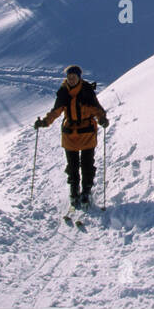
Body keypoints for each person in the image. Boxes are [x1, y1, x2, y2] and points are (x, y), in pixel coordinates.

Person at [34, 64, 108, 208]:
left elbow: (97, 109)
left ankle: (86, 190)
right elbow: (56, 111)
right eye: (69, 77)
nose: (71, 80)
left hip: (86, 133)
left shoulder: (87, 91)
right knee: (72, 165)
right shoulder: (63, 92)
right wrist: (44, 122)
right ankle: (74, 190)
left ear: (79, 77)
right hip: (70, 134)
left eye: (73, 77)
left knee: (87, 164)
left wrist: (102, 119)